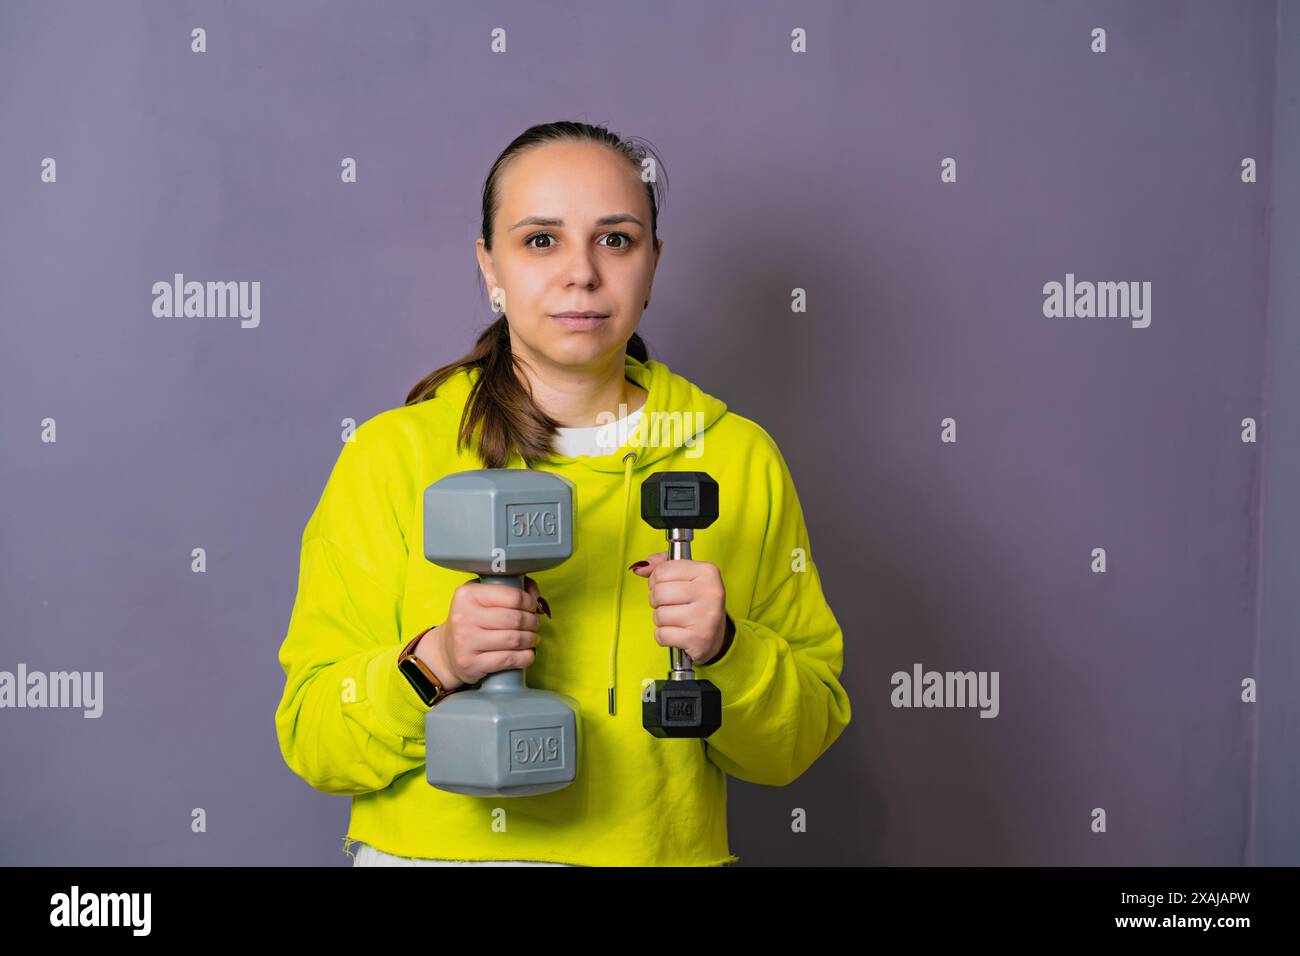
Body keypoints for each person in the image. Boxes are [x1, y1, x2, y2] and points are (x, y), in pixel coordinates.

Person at [275, 120, 852, 867]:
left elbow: (794, 747)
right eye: (540, 240)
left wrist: (728, 651)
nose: (581, 272)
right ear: (490, 266)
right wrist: (436, 661)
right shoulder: (393, 455)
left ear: (654, 263)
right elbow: (313, 739)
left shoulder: (738, 457)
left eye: (615, 239)